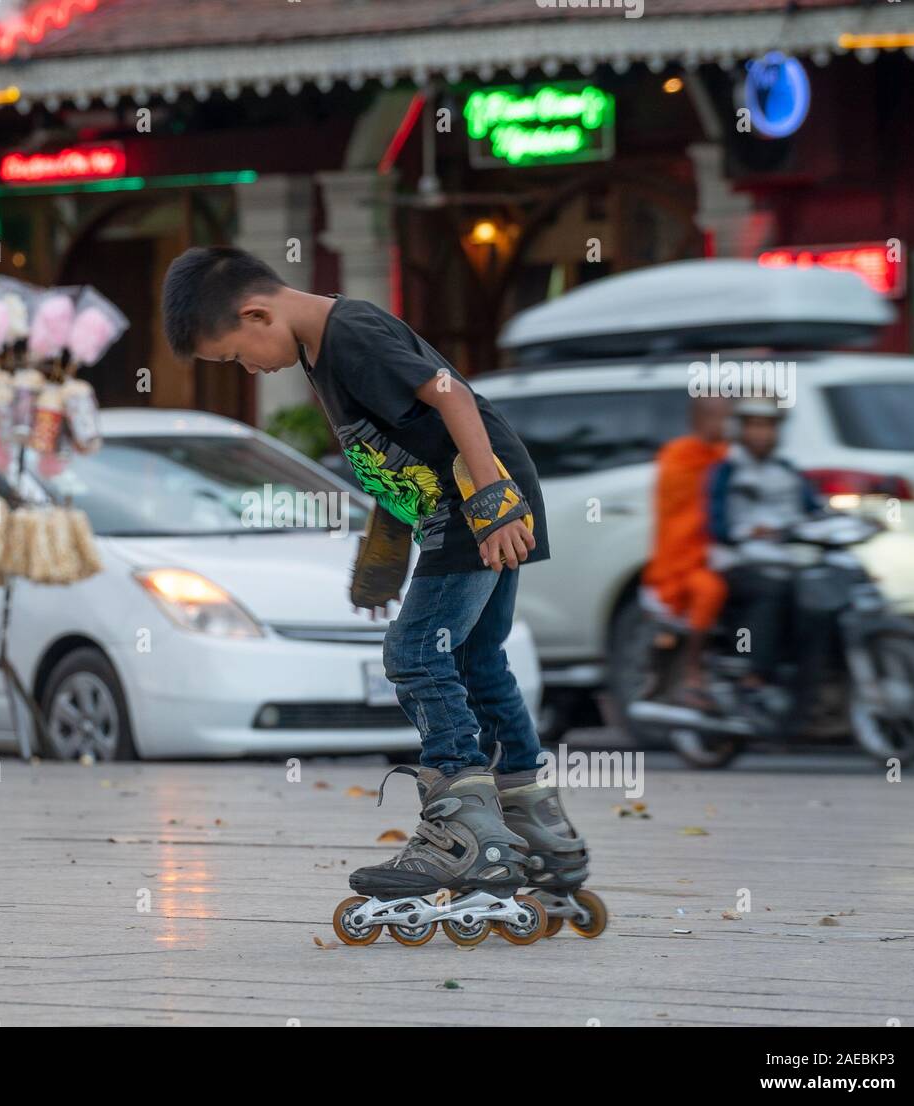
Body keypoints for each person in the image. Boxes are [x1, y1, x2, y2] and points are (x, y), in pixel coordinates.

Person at [161, 247, 598, 944]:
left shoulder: (351, 336)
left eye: (236, 356)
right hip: (469, 499)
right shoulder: (318, 351)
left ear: (256, 313)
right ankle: (529, 813)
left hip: (478, 498)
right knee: (477, 654)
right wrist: (385, 556)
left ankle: (461, 818)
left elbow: (450, 394)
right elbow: (392, 454)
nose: (247, 369)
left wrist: (487, 496)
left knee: (417, 649)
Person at [707, 397, 822, 694]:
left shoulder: (787, 471)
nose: (762, 434)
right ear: (741, 430)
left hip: (791, 555)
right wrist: (749, 531)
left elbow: (815, 511)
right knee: (772, 590)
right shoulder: (726, 471)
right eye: (755, 426)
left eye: (769, 426)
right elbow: (717, 524)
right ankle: (754, 673)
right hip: (740, 560)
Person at [642, 396, 731, 703]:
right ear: (697, 422)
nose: (721, 425)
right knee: (709, 591)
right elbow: (678, 510)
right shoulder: (678, 457)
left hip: (725, 554)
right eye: (715, 418)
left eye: (726, 418)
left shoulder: (728, 456)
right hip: (685, 561)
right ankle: (694, 668)